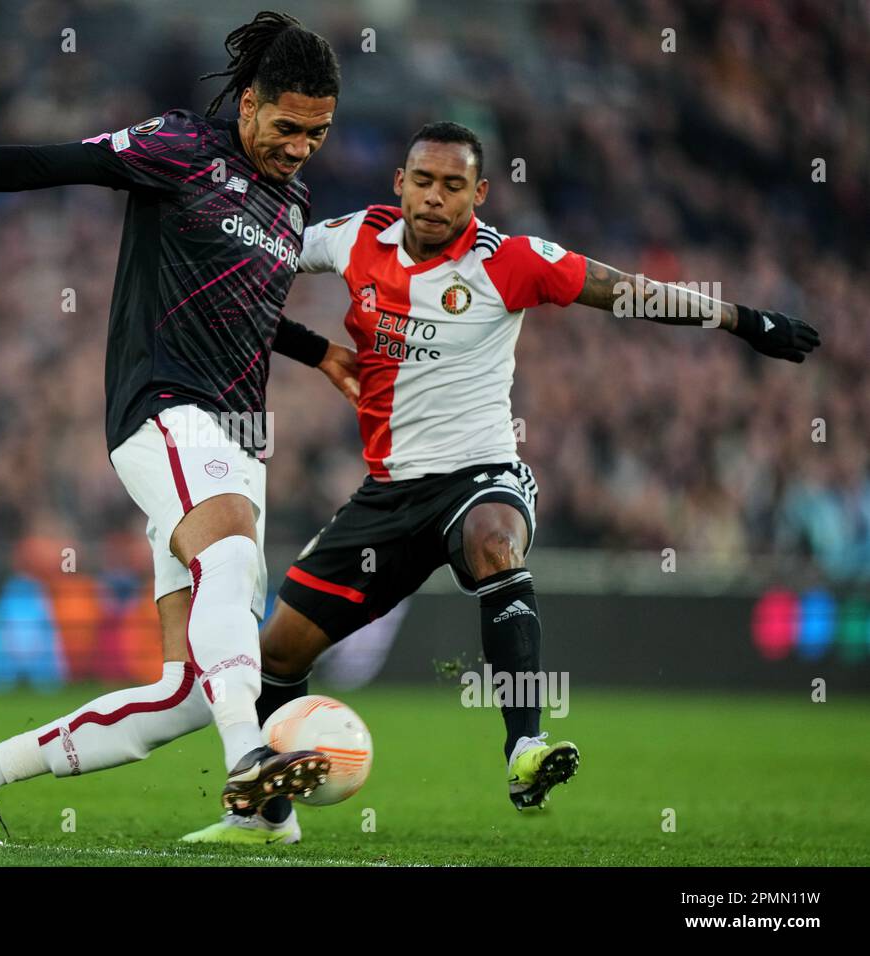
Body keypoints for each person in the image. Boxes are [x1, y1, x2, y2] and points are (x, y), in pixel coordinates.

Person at [0, 11, 356, 845]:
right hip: (162, 410)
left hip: (236, 439)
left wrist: (319, 353)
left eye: (320, 132)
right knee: (228, 552)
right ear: (250, 104)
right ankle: (253, 771)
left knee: (185, 692)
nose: (303, 146)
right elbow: (43, 162)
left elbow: (244, 301)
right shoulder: (179, 148)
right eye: (289, 126)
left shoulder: (290, 197)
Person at [182, 120, 822, 844]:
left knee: (494, 543)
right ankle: (269, 820)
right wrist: (314, 347)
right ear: (400, 183)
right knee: (278, 654)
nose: (434, 197)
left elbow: (628, 292)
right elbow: (247, 274)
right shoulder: (355, 236)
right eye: (422, 180)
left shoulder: (510, 261)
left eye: (453, 186)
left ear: (478, 194)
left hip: (480, 472)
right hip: (388, 492)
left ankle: (524, 749)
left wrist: (744, 320)